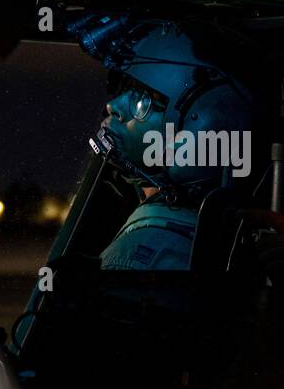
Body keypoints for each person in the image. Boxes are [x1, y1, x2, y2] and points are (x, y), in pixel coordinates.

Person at [75, 16, 271, 271]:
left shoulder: (145, 251)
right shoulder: (210, 237)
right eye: (125, 89)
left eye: (141, 102)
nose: (114, 106)